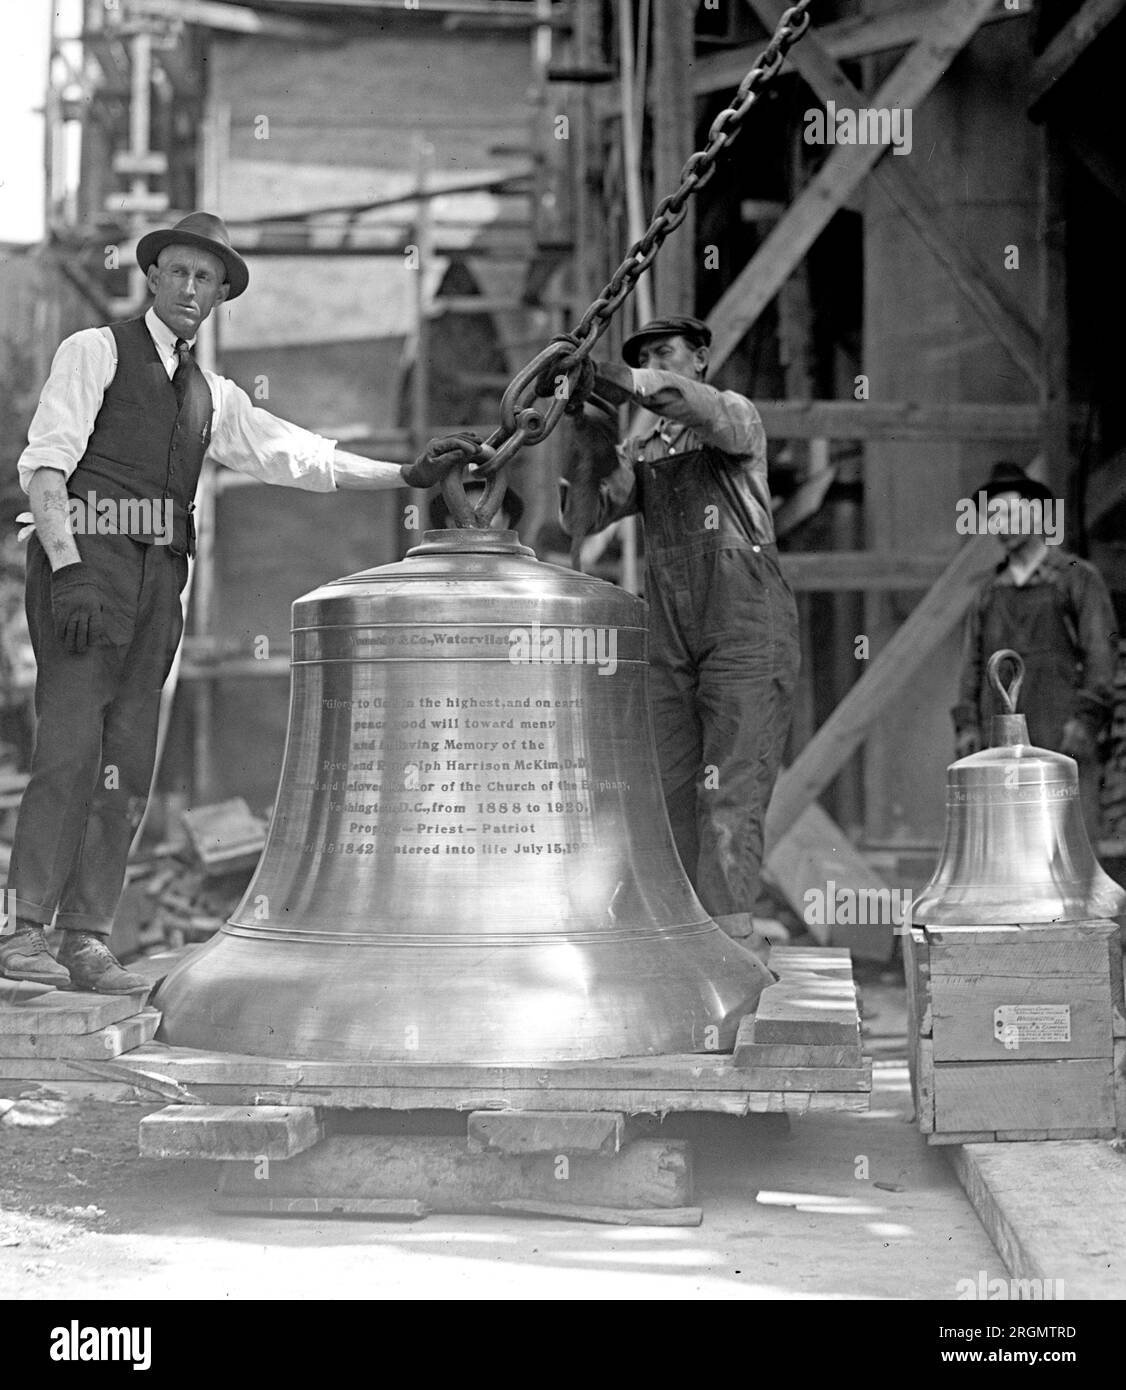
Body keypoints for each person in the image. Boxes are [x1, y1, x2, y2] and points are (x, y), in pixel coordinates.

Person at [0, 212, 451, 992]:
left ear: (217, 296)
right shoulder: (95, 351)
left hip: (158, 584)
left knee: (128, 766)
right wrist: (67, 566)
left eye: (205, 279)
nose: (189, 288)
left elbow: (296, 454)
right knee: (70, 752)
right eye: (177, 272)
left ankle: (85, 937)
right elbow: (45, 468)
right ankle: (23, 930)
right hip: (89, 568)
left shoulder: (212, 394)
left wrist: (404, 476)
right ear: (153, 277)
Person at [550, 314, 800, 941]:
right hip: (674, 633)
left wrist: (617, 375)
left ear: (699, 362)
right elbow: (583, 518)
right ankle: (678, 937)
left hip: (744, 628)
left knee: (728, 794)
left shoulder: (734, 420)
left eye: (666, 355)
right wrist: (593, 436)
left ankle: (731, 943)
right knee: (665, 790)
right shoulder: (648, 452)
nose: (657, 366)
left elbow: (697, 409)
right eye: (646, 357)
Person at [953, 460, 1118, 843]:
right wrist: (967, 725)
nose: (1001, 524)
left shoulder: (1076, 578)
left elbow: (1100, 655)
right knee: (1008, 848)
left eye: (1008, 512)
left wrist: (1085, 722)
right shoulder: (989, 592)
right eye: (991, 516)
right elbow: (972, 664)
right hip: (1002, 745)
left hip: (1063, 734)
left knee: (1070, 848)